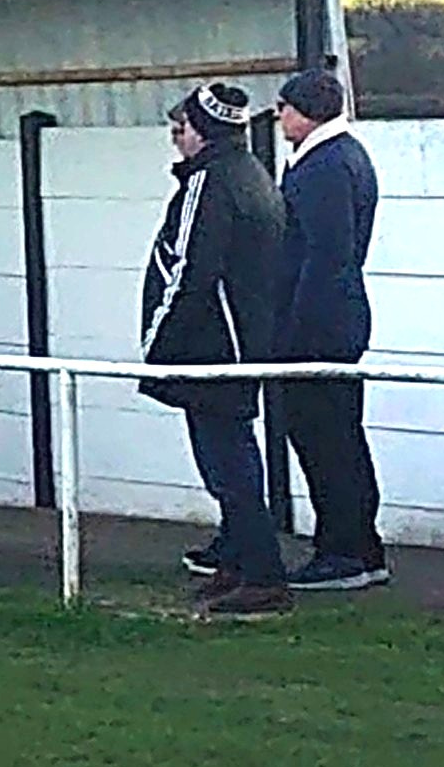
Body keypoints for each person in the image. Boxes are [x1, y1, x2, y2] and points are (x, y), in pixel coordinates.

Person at [140, 83, 293, 618]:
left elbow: (186, 272)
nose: (176, 142)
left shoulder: (209, 183)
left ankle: (261, 573)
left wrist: (156, 342)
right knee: (232, 458)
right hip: (238, 343)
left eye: (179, 130)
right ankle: (236, 561)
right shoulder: (252, 177)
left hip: (212, 349)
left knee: (227, 463)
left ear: (201, 131)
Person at [267, 66, 389, 591]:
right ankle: (356, 545)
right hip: (336, 316)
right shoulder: (339, 158)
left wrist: (294, 331)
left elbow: (324, 255)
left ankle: (345, 549)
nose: (278, 116)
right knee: (337, 435)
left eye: (285, 107)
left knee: (325, 438)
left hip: (321, 323)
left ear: (307, 111)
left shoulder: (324, 166)